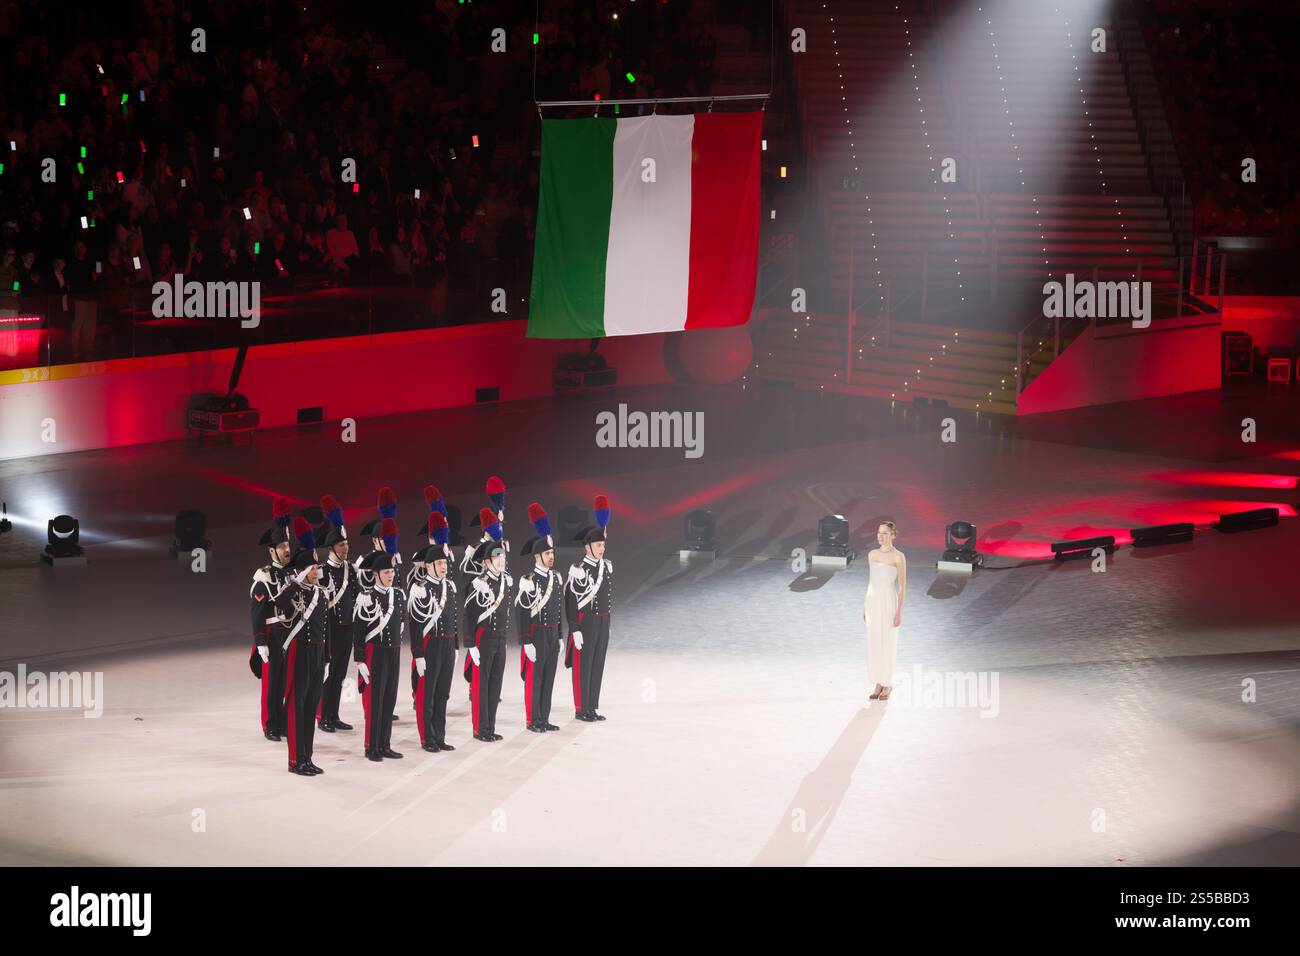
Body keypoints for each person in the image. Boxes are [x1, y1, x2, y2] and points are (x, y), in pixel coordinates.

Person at [276, 519, 329, 775]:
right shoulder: (293, 591)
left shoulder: (321, 595)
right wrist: (295, 583)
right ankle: (295, 760)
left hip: (317, 652)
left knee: (311, 705)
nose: (317, 572)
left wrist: (326, 659)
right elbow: (278, 606)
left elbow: (326, 630)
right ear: (303, 570)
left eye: (317, 567)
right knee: (297, 705)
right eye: (313, 568)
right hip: (300, 651)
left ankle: (307, 757)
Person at [409, 517, 459, 752]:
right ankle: (427, 738)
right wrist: (418, 654)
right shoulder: (420, 589)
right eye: (439, 563)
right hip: (429, 646)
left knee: (442, 694)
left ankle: (439, 736)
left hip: (447, 645)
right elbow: (415, 625)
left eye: (444, 563)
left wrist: (456, 646)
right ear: (428, 566)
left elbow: (453, 619)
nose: (443, 567)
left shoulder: (450, 586)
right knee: (426, 695)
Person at [353, 549, 407, 761]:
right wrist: (360, 660)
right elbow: (359, 631)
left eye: (392, 571)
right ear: (375, 574)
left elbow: (400, 623)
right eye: (386, 572)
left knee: (389, 699)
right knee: (375, 700)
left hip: (394, 651)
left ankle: (385, 744)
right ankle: (371, 746)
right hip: (375, 652)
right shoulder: (366, 597)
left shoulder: (398, 595)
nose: (390, 575)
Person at [463, 510, 512, 742]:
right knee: (481, 685)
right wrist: (470, 644)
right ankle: (480, 729)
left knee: (495, 684)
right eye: (497, 557)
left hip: (500, 638)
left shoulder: (506, 581)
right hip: (483, 638)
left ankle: (490, 727)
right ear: (487, 561)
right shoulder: (479, 583)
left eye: (503, 557)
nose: (502, 560)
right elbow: (469, 616)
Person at [515, 504, 564, 733]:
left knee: (548, 678)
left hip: (552, 634)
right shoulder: (528, 580)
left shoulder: (556, 578)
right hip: (536, 635)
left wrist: (560, 635)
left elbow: (558, 609)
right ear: (537, 557)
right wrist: (526, 641)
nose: (551, 556)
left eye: (552, 553)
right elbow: (522, 612)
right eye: (547, 554)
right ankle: (532, 720)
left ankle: (544, 718)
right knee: (534, 679)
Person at [565, 497, 613, 721]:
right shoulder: (578, 569)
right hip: (585, 622)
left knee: (597, 664)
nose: (602, 549)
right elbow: (570, 600)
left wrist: (608, 623)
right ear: (588, 547)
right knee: (583, 665)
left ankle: (592, 706)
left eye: (603, 545)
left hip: (602, 621)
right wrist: (574, 628)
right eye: (598, 545)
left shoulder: (607, 566)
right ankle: (580, 708)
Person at [249, 499, 294, 740]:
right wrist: (261, 643)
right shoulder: (263, 578)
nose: (287, 549)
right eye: (282, 546)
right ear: (271, 551)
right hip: (272, 636)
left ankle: (283, 722)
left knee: (286, 681)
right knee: (272, 683)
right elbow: (257, 612)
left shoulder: (293, 573)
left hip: (289, 634)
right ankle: (270, 725)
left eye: (288, 544)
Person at [317, 495, 356, 733]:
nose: (346, 548)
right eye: (341, 545)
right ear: (331, 548)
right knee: (328, 673)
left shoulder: (351, 570)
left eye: (347, 544)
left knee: (340, 673)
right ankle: (322, 716)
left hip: (347, 628)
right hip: (330, 630)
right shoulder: (322, 572)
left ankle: (334, 714)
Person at [865, 521, 906, 702]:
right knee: (874, 642)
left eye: (885, 533)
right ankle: (878, 682)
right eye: (879, 532)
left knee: (888, 641)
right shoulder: (872, 554)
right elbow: (871, 582)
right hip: (872, 602)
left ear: (893, 535)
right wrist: (865, 606)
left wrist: (898, 612)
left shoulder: (898, 557)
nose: (880, 536)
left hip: (888, 601)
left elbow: (902, 587)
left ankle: (887, 682)